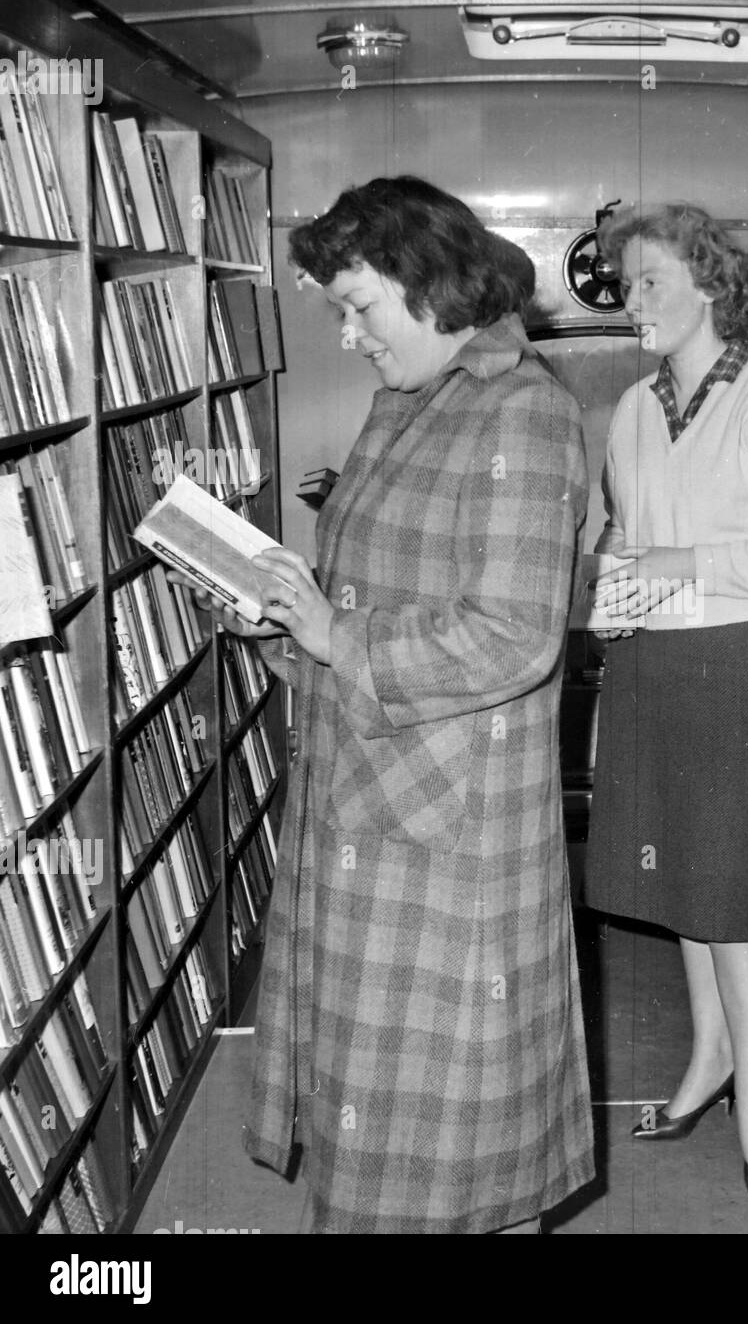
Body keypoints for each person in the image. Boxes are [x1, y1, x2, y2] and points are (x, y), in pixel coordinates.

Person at [176, 175, 594, 1233]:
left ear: (426, 280)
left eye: (359, 305)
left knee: (448, 1146)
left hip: (448, 831)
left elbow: (513, 634)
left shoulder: (527, 408)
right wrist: (278, 619)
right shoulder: (403, 399)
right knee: (383, 1132)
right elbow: (358, 601)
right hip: (367, 799)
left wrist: (334, 633)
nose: (350, 334)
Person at [581, 205, 748, 1202]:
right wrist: (613, 593)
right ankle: (707, 1058)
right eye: (626, 281)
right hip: (646, 659)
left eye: (648, 281)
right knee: (681, 879)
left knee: (728, 886)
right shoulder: (635, 407)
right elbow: (619, 536)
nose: (628, 298)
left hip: (734, 664)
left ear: (708, 288)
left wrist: (684, 563)